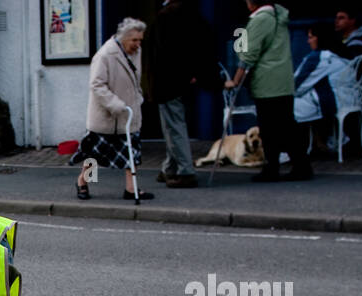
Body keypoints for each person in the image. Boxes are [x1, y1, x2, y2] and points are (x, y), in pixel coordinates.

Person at [225, 2, 312, 182]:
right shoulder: (278, 17)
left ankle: (273, 168)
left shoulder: (260, 20)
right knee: (286, 125)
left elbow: (248, 54)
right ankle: (299, 165)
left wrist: (235, 80)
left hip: (267, 82)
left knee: (270, 128)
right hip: (282, 81)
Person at [74, 18, 152, 201]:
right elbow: (97, 85)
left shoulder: (135, 52)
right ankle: (83, 182)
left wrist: (137, 98)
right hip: (106, 116)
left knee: (131, 154)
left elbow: (135, 80)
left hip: (128, 114)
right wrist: (115, 104)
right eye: (134, 40)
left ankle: (131, 189)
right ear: (123, 38)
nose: (138, 44)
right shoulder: (105, 55)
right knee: (94, 155)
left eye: (140, 40)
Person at [145, 0, 217, 188]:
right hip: (183, 81)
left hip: (167, 82)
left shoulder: (165, 17)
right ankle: (169, 167)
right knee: (174, 125)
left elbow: (161, 53)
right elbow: (206, 44)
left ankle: (186, 171)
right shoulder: (192, 15)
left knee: (173, 127)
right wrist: (195, 74)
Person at [293, 23, 347, 156]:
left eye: (311, 37)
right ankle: (317, 142)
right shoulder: (341, 52)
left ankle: (287, 151)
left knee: (279, 106)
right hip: (345, 99)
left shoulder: (319, 57)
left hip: (328, 102)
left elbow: (297, 86)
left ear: (320, 38)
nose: (308, 41)